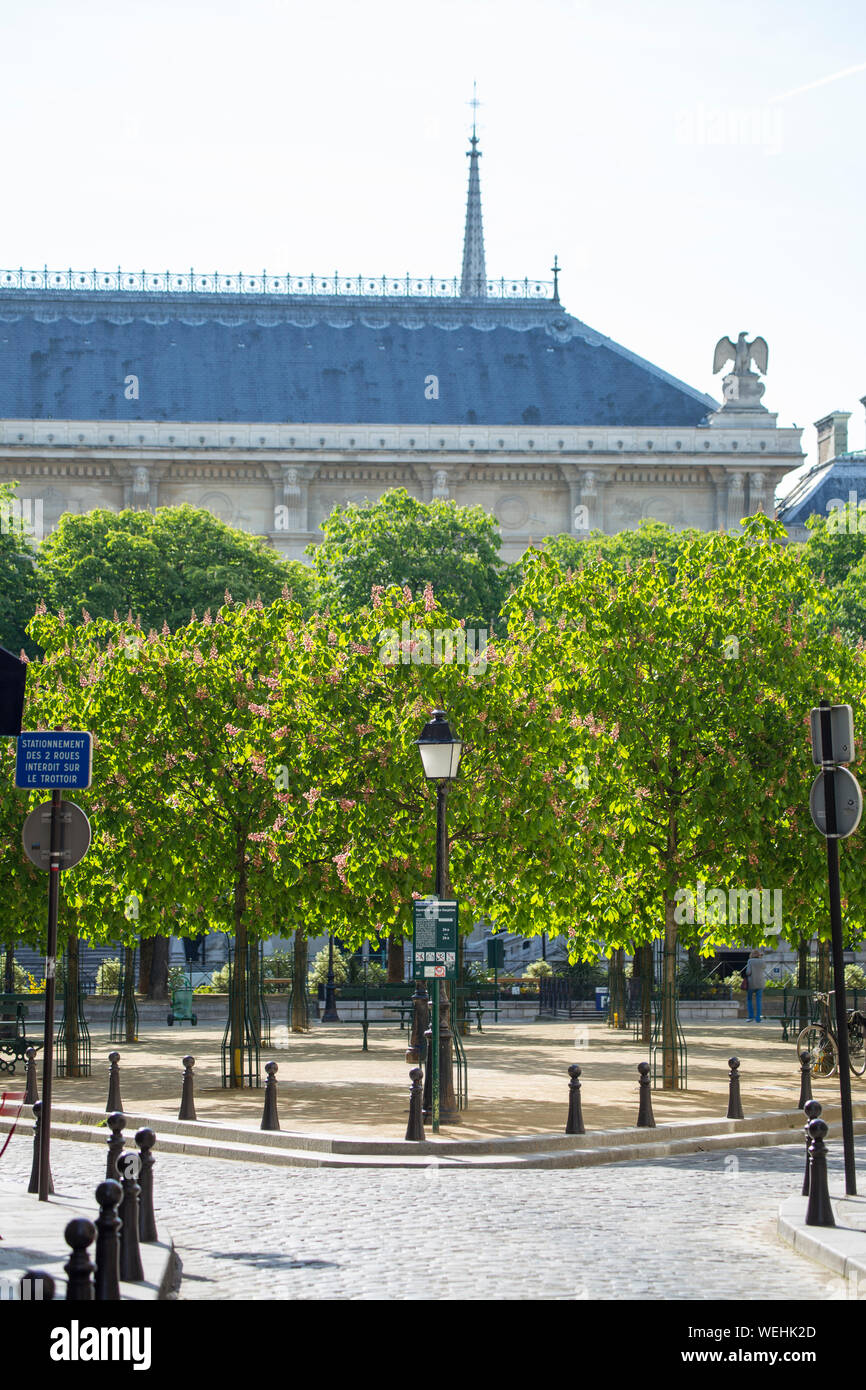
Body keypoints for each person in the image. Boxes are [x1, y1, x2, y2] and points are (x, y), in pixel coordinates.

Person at [743, 950, 766, 1022]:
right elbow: (764, 967)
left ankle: (750, 1016)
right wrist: (761, 957)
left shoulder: (750, 961)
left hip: (751, 983)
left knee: (749, 999)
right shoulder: (762, 961)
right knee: (759, 1000)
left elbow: (748, 972)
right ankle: (758, 1018)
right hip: (760, 983)